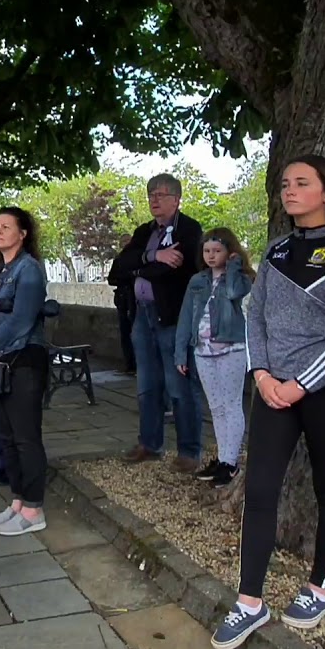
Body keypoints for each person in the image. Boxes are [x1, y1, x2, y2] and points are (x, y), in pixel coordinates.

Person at [210, 155, 325, 649]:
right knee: (259, 490)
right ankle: (248, 602)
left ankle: (320, 587)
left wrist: (301, 382)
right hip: (272, 389)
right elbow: (254, 313)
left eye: (303, 183)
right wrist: (261, 372)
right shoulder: (277, 249)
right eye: (285, 183)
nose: (290, 190)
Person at [112, 173, 206, 472]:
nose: (154, 199)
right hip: (142, 315)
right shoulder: (144, 232)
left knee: (179, 383)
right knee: (147, 384)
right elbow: (118, 268)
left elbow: (178, 269)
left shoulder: (189, 230)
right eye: (151, 193)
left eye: (161, 194)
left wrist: (140, 269)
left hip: (173, 317)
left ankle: (189, 450)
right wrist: (154, 256)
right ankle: (150, 443)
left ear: (177, 199)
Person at [0, 207, 50, 537]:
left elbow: (21, 320)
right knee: (5, 437)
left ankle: (34, 508)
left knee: (25, 437)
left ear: (23, 233)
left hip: (23, 362)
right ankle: (18, 501)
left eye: (6, 226)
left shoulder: (29, 270)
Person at [174, 228, 254, 488]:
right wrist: (180, 352)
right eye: (207, 251)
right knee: (217, 407)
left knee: (231, 405)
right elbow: (186, 316)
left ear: (230, 252)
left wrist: (233, 266)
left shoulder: (240, 278)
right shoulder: (197, 281)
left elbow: (233, 293)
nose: (210, 256)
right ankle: (223, 458)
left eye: (217, 251)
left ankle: (230, 463)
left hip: (232, 348)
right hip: (203, 350)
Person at [106, 233, 138, 375]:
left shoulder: (137, 258)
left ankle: (137, 364)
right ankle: (129, 364)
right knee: (125, 333)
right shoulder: (119, 260)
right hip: (123, 299)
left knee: (135, 332)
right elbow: (111, 279)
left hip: (134, 298)